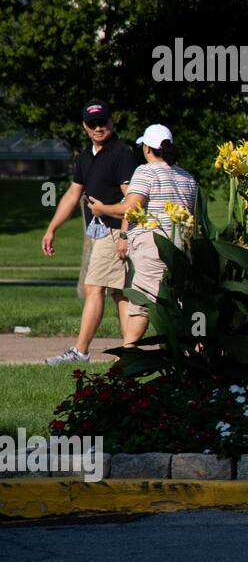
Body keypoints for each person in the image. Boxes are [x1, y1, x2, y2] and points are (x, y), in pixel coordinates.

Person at [42, 100, 137, 365]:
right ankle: (130, 352)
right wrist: (52, 228)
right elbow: (73, 195)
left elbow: (132, 199)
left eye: (102, 122)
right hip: (103, 232)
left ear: (111, 122)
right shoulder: (85, 156)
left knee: (94, 286)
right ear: (84, 126)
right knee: (119, 293)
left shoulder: (121, 153)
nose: (98, 128)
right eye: (92, 123)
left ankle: (81, 352)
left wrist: (125, 235)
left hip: (116, 230)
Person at [88, 124, 198, 347]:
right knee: (177, 302)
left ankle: (127, 355)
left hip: (153, 245)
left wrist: (102, 209)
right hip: (181, 247)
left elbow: (131, 207)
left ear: (147, 148)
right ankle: (191, 354)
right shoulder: (187, 177)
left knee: (141, 304)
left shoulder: (145, 172)